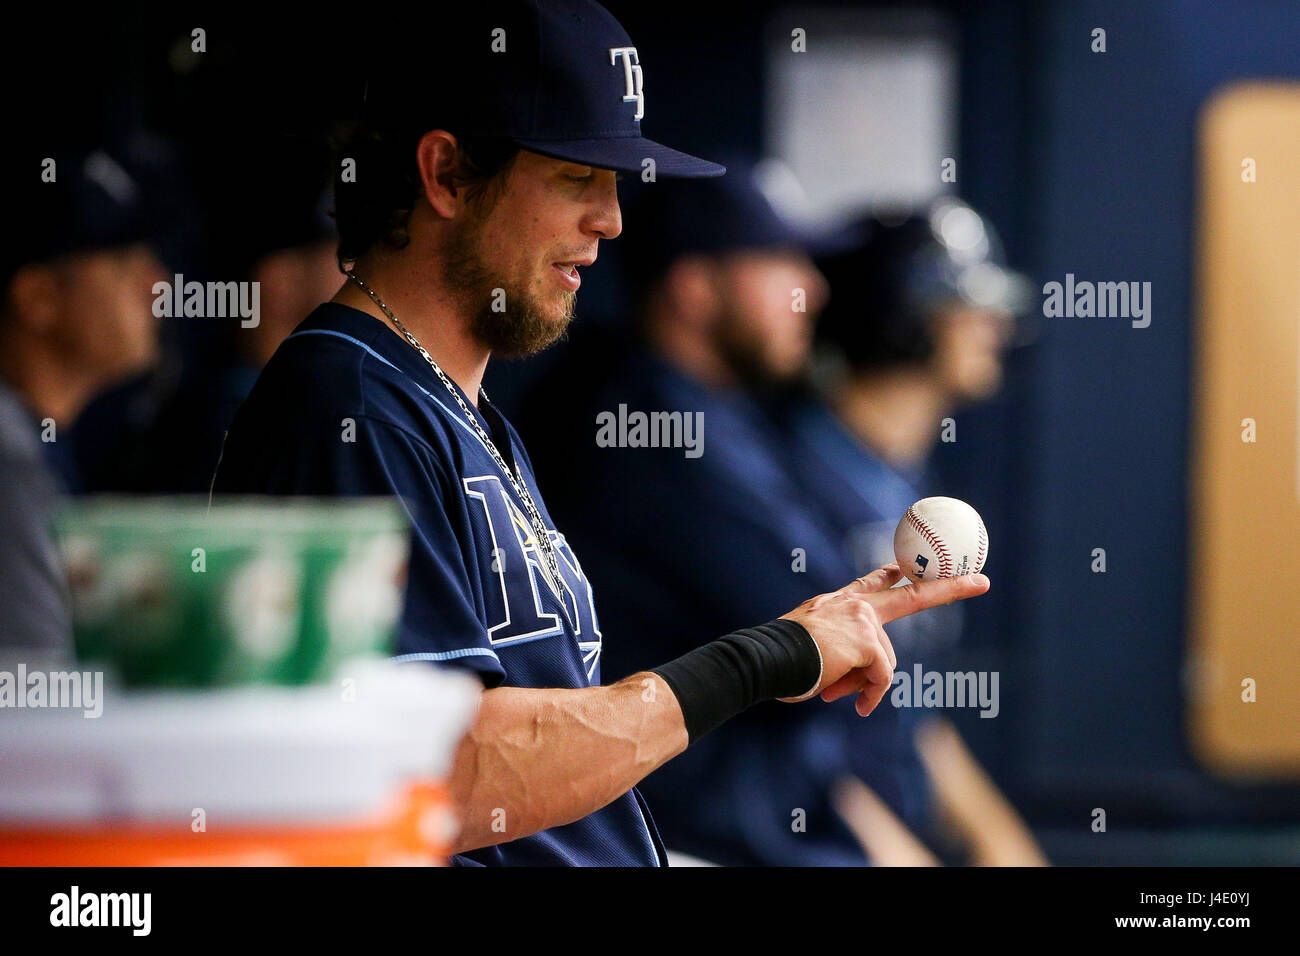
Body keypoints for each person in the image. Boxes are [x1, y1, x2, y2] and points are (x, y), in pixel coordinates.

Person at [210, 0, 989, 867]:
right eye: (577, 178)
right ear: (446, 175)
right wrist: (769, 656)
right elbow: (441, 778)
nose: (612, 221)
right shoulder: (347, 406)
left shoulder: (462, 413)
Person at [519, 162, 950, 865]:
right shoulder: (645, 423)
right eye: (778, 263)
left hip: (763, 818)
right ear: (694, 287)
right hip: (682, 835)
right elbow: (821, 641)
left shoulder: (726, 408)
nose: (810, 289)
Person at [780, 199, 1048, 865]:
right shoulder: (796, 479)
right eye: (967, 304)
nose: (993, 326)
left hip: (893, 833)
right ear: (903, 318)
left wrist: (1000, 841)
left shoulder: (900, 482)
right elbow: (785, 734)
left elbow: (914, 713)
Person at [0, 142, 168, 653]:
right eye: (121, 263)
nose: (157, 284)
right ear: (39, 299)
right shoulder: (7, 476)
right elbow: (40, 709)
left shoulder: (35, 446)